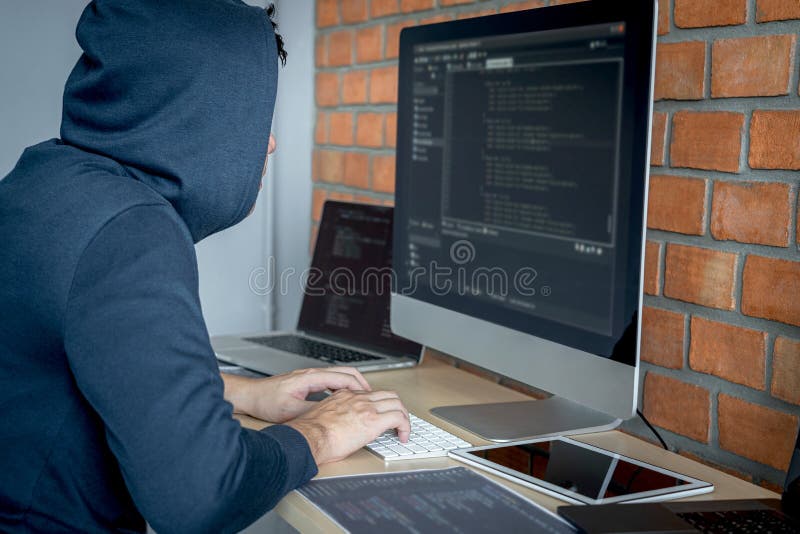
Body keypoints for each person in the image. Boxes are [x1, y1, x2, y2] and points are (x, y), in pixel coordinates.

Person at [0, 1, 410, 532]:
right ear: (199, 111)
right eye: (254, 116)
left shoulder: (43, 182)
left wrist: (244, 392)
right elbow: (201, 496)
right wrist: (322, 432)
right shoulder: (129, 231)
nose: (269, 143)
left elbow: (88, 366)